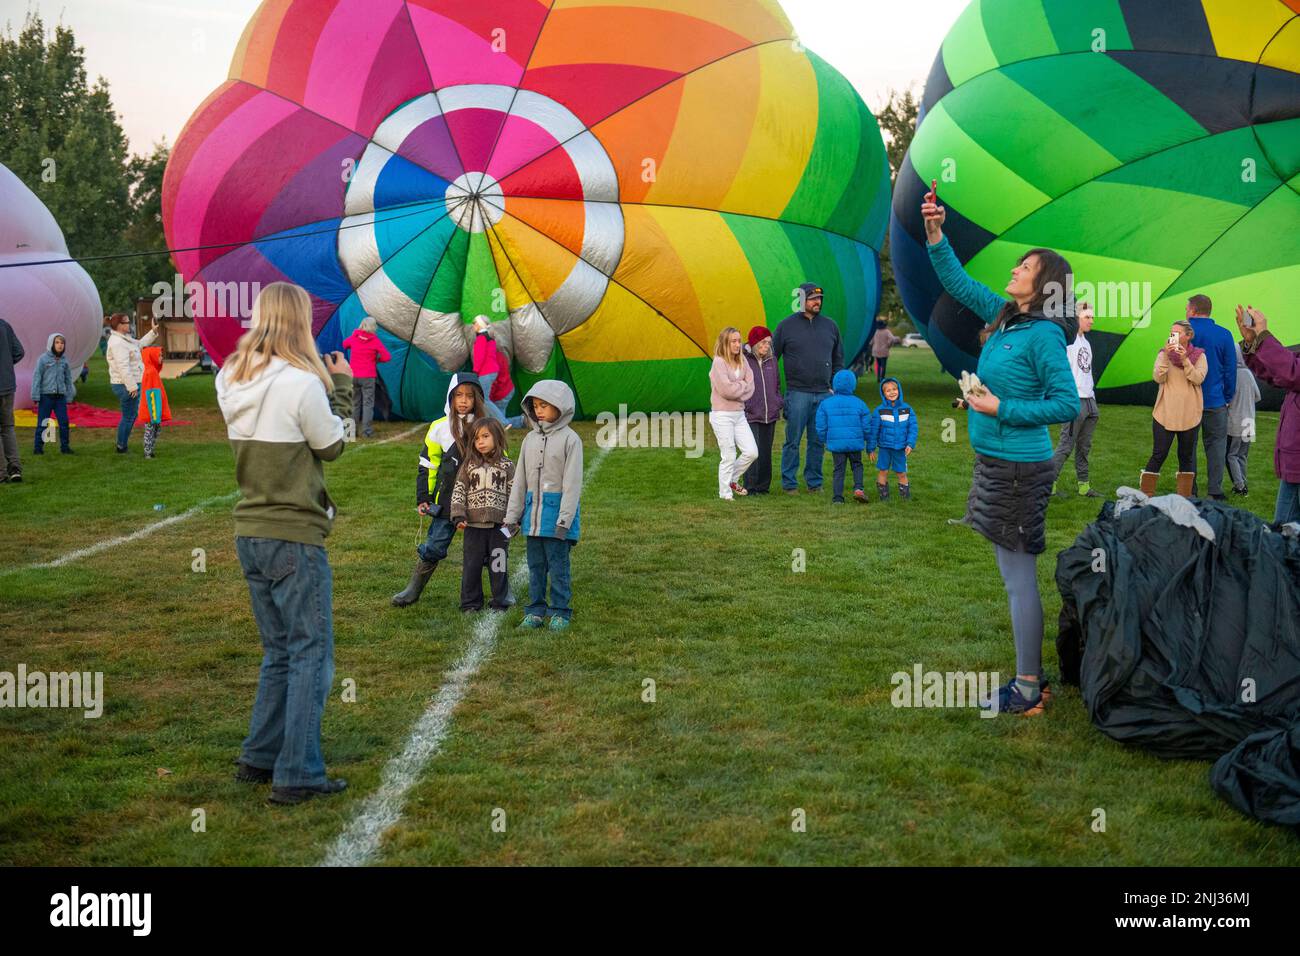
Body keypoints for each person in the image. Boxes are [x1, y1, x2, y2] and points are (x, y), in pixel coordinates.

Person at [922, 192, 1078, 716]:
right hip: (996, 464)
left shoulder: (1044, 337)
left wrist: (999, 407)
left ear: (1045, 285)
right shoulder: (1008, 317)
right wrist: (936, 233)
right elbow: (959, 285)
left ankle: (1028, 688)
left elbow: (1065, 404)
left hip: (1019, 469)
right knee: (1011, 572)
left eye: (1026, 266)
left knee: (1017, 578)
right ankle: (1033, 678)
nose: (1015, 269)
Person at [215, 282, 353, 805]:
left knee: (278, 652)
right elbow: (332, 446)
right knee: (310, 654)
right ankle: (297, 773)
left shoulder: (229, 375)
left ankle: (261, 755)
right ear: (299, 322)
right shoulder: (301, 383)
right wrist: (339, 386)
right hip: (294, 534)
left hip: (250, 528)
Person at [391, 373, 490, 607]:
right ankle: (413, 589)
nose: (464, 400)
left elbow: (500, 463)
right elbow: (427, 465)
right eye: (458, 395)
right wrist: (424, 497)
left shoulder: (486, 427)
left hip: (479, 500)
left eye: (469, 395)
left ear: (477, 398)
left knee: (486, 550)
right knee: (434, 546)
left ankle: (498, 592)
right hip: (446, 502)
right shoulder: (439, 428)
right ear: (450, 397)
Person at [504, 380, 583, 631]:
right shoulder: (529, 439)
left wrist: (564, 521)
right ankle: (535, 610)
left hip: (556, 518)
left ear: (561, 407)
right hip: (532, 519)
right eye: (535, 405)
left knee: (558, 567)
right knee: (535, 567)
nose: (538, 410)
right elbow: (520, 481)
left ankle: (560, 611)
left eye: (544, 406)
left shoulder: (571, 440)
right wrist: (512, 517)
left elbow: (572, 485)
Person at [772, 282, 842, 494]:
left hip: (824, 394)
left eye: (819, 299)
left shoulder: (831, 326)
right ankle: (789, 483)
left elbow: (838, 359)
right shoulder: (786, 326)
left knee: (817, 442)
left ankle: (814, 483)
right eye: (812, 298)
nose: (817, 302)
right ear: (801, 300)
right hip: (797, 393)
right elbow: (772, 359)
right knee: (792, 441)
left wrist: (835, 387)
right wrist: (776, 390)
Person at [1237, 306, 1300, 525]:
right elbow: (1278, 376)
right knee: (1283, 537)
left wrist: (1263, 335)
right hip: (1294, 463)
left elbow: (1291, 372)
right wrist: (1252, 342)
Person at [450, 417, 515, 613]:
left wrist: (513, 520)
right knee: (471, 566)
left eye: (485, 436)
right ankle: (470, 603)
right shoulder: (468, 466)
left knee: (498, 566)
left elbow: (515, 493)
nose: (480, 442)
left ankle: (500, 601)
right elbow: (459, 491)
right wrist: (458, 516)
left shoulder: (507, 466)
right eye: (476, 438)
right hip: (473, 528)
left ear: (498, 437)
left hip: (499, 528)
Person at [1140, 320, 1207, 498]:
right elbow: (1158, 377)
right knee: (1159, 454)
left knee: (1186, 457)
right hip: (1165, 413)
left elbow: (1198, 378)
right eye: (1172, 333)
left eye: (1177, 333)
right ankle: (1145, 496)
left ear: (1188, 336)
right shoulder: (1163, 355)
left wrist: (1185, 360)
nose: (1173, 337)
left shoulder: (1199, 355)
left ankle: (1186, 499)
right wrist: (1165, 355)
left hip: (1189, 414)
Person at [1186, 295, 1236, 499]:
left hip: (1188, 400)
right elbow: (1230, 369)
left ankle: (1190, 490)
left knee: (1187, 447)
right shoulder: (1225, 334)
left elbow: (1170, 357)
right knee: (1216, 446)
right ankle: (1215, 490)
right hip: (1215, 400)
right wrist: (1227, 395)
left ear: (1193, 310)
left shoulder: (1178, 331)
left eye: (1187, 308)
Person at [1050, 301, 1101, 498]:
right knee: (1065, 446)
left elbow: (1085, 372)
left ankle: (1084, 486)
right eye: (1088, 317)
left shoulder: (1087, 343)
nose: (1092, 321)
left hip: (1090, 402)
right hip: (1074, 401)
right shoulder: (1067, 343)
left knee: (1084, 447)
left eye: (1092, 317)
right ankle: (1049, 485)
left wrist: (1092, 398)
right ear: (1076, 318)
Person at [708, 326, 757, 500]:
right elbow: (726, 390)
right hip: (722, 415)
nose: (738, 344)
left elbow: (751, 387)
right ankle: (725, 494)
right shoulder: (718, 362)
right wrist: (742, 386)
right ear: (725, 343)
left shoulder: (743, 360)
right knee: (728, 454)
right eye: (734, 341)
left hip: (739, 414)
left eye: (739, 341)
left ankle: (732, 479)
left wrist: (739, 387)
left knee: (751, 452)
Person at [814, 368, 871, 504]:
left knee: (838, 469)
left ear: (834, 384)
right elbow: (867, 425)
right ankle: (858, 489)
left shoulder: (826, 403)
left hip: (836, 444)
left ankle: (838, 498)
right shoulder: (860, 403)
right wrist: (867, 438)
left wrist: (824, 440)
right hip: (855, 443)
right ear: (853, 384)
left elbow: (821, 425)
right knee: (857, 465)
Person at [106, 313, 158, 453]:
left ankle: (122, 444)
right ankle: (121, 446)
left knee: (131, 415)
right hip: (125, 384)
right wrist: (132, 387)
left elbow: (140, 344)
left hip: (131, 383)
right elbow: (123, 367)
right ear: (119, 326)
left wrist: (153, 332)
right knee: (129, 416)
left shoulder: (124, 340)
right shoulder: (117, 343)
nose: (129, 324)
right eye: (126, 322)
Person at [742, 326, 782, 495]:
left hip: (770, 413)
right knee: (752, 451)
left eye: (769, 343)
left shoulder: (772, 360)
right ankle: (750, 487)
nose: (767, 346)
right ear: (755, 342)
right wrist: (746, 404)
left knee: (766, 452)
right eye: (764, 343)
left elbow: (777, 384)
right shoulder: (743, 360)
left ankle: (763, 487)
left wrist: (777, 401)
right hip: (751, 413)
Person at [868, 376, 918, 501]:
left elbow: (913, 428)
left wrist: (910, 444)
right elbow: (873, 431)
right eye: (888, 390)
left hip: (900, 448)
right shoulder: (879, 411)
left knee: (901, 473)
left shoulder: (907, 409)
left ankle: (905, 499)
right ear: (883, 394)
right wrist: (871, 448)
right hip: (885, 447)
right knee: (883, 471)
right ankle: (884, 498)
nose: (892, 392)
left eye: (894, 389)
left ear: (899, 390)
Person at [341, 317, 391, 438]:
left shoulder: (354, 337)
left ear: (361, 325)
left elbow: (345, 344)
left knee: (354, 403)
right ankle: (366, 432)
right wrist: (375, 360)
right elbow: (387, 357)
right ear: (374, 327)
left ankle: (350, 433)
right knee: (368, 404)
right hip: (368, 376)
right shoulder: (375, 341)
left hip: (354, 375)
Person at [30, 332, 76, 455]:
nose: (60, 345)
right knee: (43, 423)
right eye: (57, 342)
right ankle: (38, 448)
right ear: (51, 344)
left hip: (60, 397)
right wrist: (35, 395)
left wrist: (69, 395)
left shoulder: (64, 361)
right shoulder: (43, 359)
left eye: (62, 343)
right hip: (46, 396)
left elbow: (68, 379)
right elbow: (37, 377)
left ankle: (65, 447)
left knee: (64, 422)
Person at [1226, 341, 1260, 498]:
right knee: (1242, 455)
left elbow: (1227, 399)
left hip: (1236, 421)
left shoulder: (1231, 376)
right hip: (1250, 421)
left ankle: (1240, 486)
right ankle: (1243, 482)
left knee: (1231, 455)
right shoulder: (1248, 373)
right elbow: (1258, 397)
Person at [470, 316, 513, 427]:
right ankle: (498, 425)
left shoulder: (481, 338)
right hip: (492, 371)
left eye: (475, 323)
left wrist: (475, 371)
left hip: (486, 372)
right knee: (485, 399)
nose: (473, 325)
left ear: (480, 325)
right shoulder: (489, 338)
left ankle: (503, 423)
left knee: (483, 399)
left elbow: (479, 357)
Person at [0, 315, 23, 482]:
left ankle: (1, 472)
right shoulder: (5, 325)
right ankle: (15, 468)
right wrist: (6, 364)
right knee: (8, 428)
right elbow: (19, 352)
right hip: (8, 385)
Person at [138, 346, 172, 459]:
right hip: (151, 408)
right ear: (152, 357)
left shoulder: (153, 371)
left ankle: (150, 450)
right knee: (150, 430)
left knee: (156, 429)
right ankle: (148, 452)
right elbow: (151, 393)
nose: (162, 358)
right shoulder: (151, 372)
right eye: (159, 356)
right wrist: (154, 412)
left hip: (154, 407)